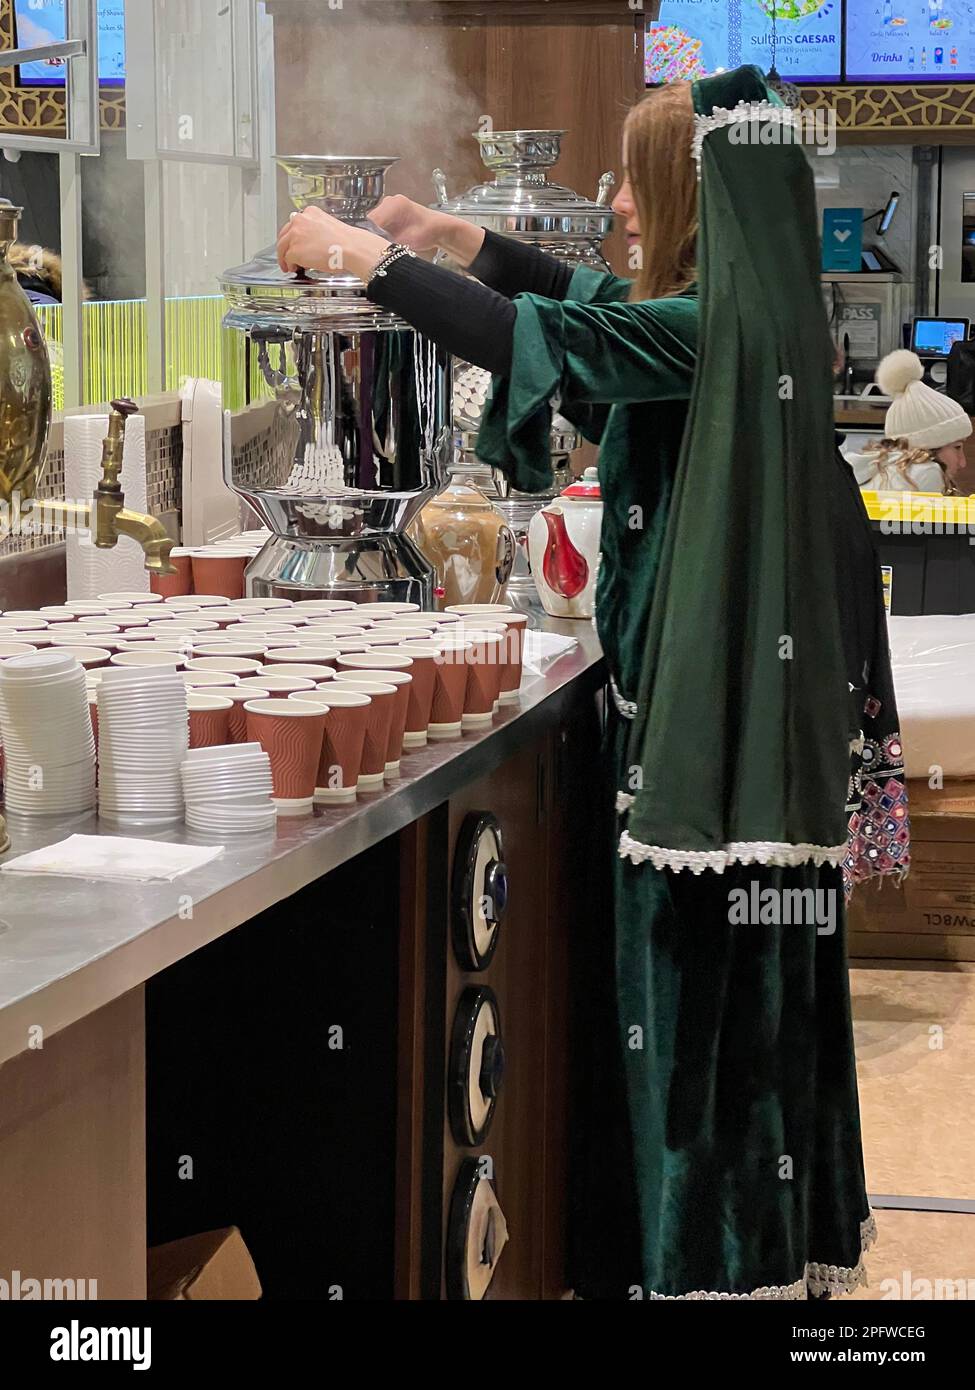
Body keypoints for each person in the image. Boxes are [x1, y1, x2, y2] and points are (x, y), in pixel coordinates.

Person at [277, 67, 908, 1300]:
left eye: (635, 179)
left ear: (688, 196)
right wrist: (465, 241)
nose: (615, 201)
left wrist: (370, 262)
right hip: (739, 741)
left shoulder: (715, 328)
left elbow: (557, 338)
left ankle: (713, 1270)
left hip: (711, 764)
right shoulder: (738, 311)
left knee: (700, 1028)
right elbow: (592, 299)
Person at [845, 349, 972, 495]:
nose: (962, 462)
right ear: (929, 446)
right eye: (957, 447)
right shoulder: (927, 472)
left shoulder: (878, 469)